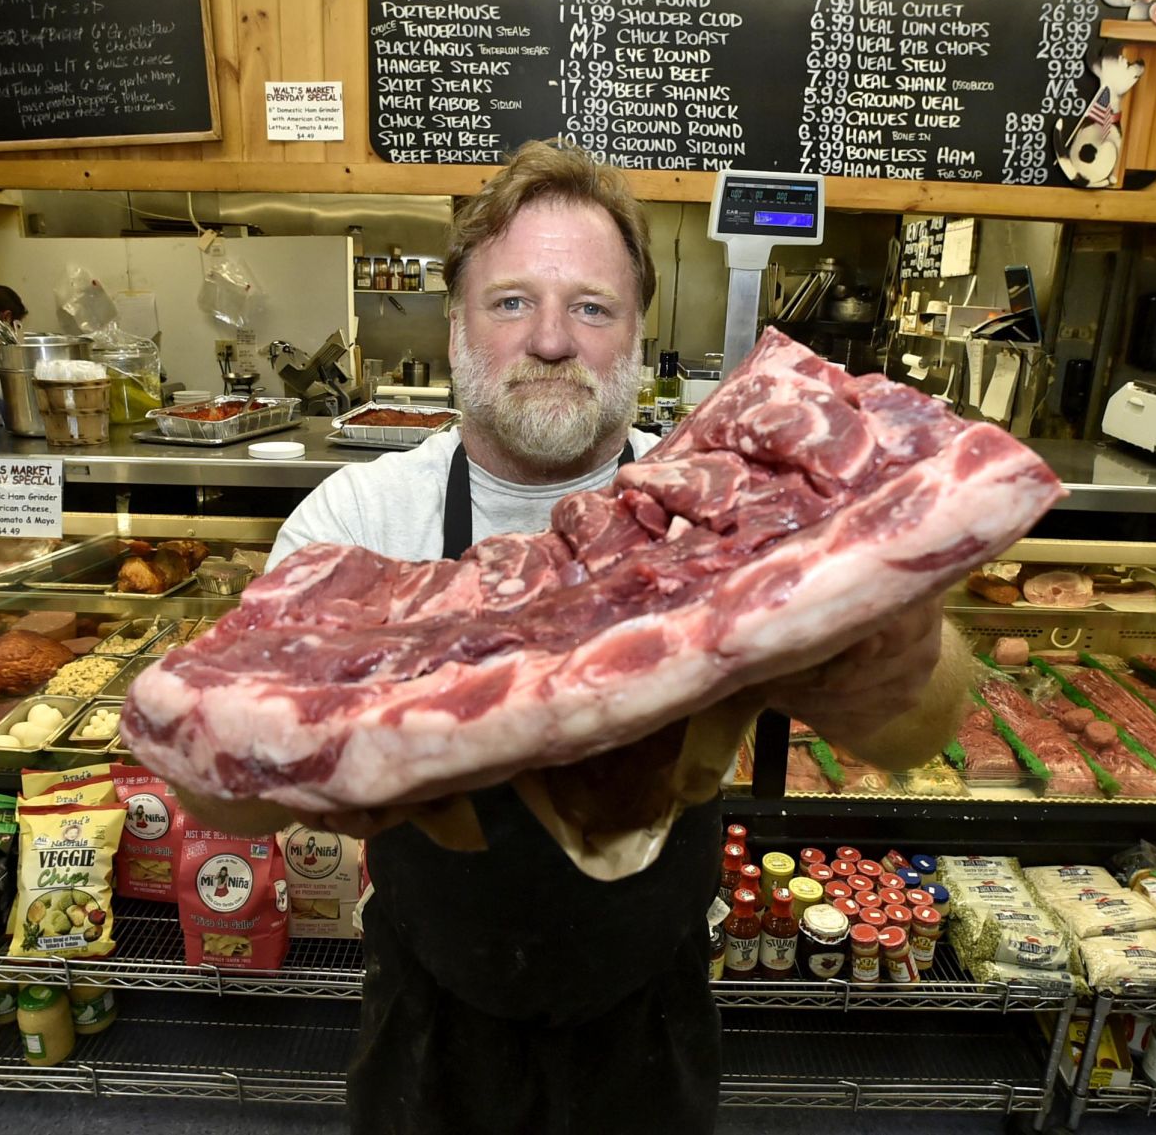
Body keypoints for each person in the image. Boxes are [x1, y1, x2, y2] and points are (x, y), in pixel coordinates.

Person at [268, 140, 952, 1135]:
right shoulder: (360, 517)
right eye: (510, 302)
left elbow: (918, 732)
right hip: (430, 1017)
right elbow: (217, 781)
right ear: (456, 324)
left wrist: (879, 635)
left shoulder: (731, 510)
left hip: (646, 1016)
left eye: (591, 305)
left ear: (636, 330)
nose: (550, 338)